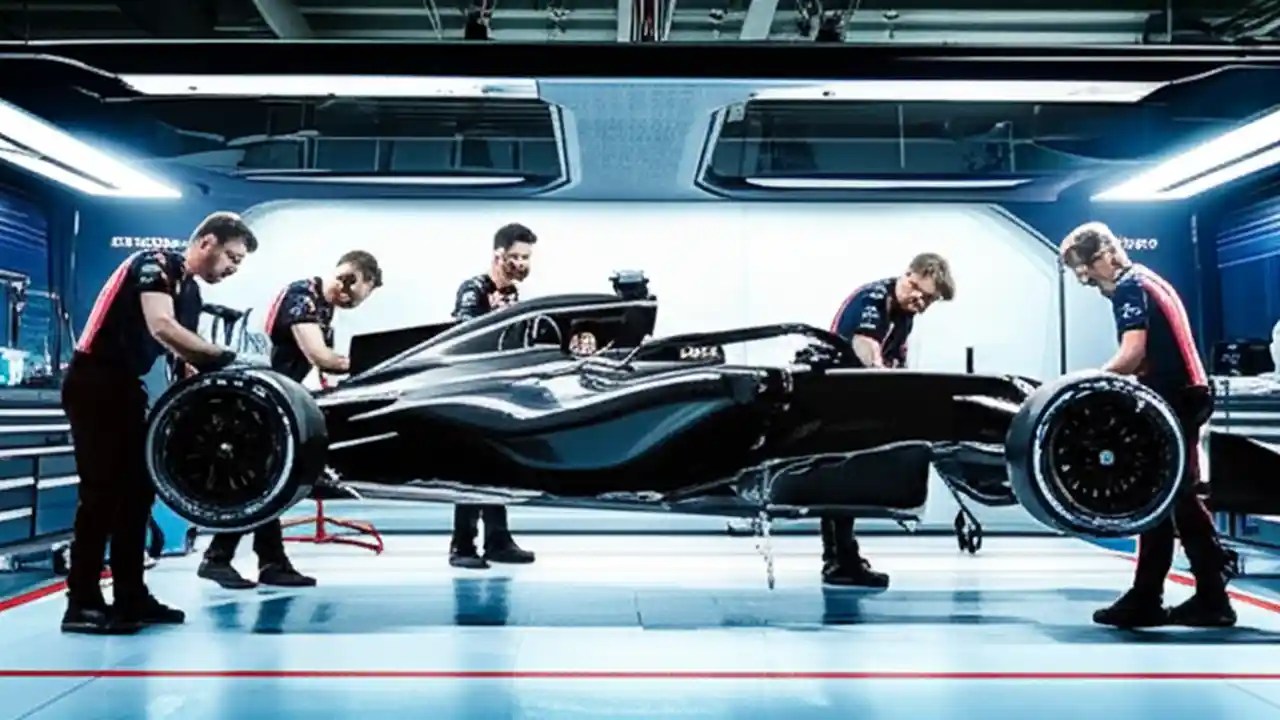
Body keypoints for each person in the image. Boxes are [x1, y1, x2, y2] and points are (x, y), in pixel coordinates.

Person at [61, 211, 256, 634]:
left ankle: (131, 595)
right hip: (93, 381)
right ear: (206, 242)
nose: (233, 268)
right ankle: (82, 602)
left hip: (127, 388)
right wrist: (222, 356)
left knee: (137, 494)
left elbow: (184, 359)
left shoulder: (191, 294)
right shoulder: (155, 264)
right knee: (100, 494)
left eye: (239, 263)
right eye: (232, 257)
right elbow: (162, 328)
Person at [1060, 222, 1236, 628]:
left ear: (1105, 255)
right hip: (1187, 394)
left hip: (1174, 398)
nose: (1084, 279)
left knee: (1172, 495)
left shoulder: (1127, 287)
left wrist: (1090, 380)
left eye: (1084, 268)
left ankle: (1202, 592)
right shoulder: (1150, 279)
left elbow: (1132, 353)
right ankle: (1167, 593)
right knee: (1162, 495)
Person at [197, 250, 384, 590]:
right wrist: (375, 364)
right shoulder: (302, 297)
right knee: (263, 483)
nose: (354, 304)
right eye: (357, 297)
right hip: (252, 402)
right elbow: (321, 357)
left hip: (270, 400)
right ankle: (222, 557)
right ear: (347, 280)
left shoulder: (322, 307)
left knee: (270, 484)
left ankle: (266, 561)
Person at [824, 252, 956, 588]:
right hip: (834, 396)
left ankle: (841, 556)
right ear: (908, 274)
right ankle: (841, 560)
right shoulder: (874, 299)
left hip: (853, 398)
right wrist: (885, 381)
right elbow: (865, 346)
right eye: (919, 292)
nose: (921, 302)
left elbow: (896, 357)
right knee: (842, 479)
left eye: (929, 300)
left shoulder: (904, 315)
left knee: (846, 480)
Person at [448, 223, 538, 569]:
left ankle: (498, 539)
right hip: (471, 392)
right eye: (515, 256)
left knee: (497, 465)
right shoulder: (473, 291)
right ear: (498, 255)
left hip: (503, 391)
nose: (521, 263)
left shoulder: (513, 294)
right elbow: (465, 339)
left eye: (526, 257)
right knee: (471, 467)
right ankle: (462, 545)